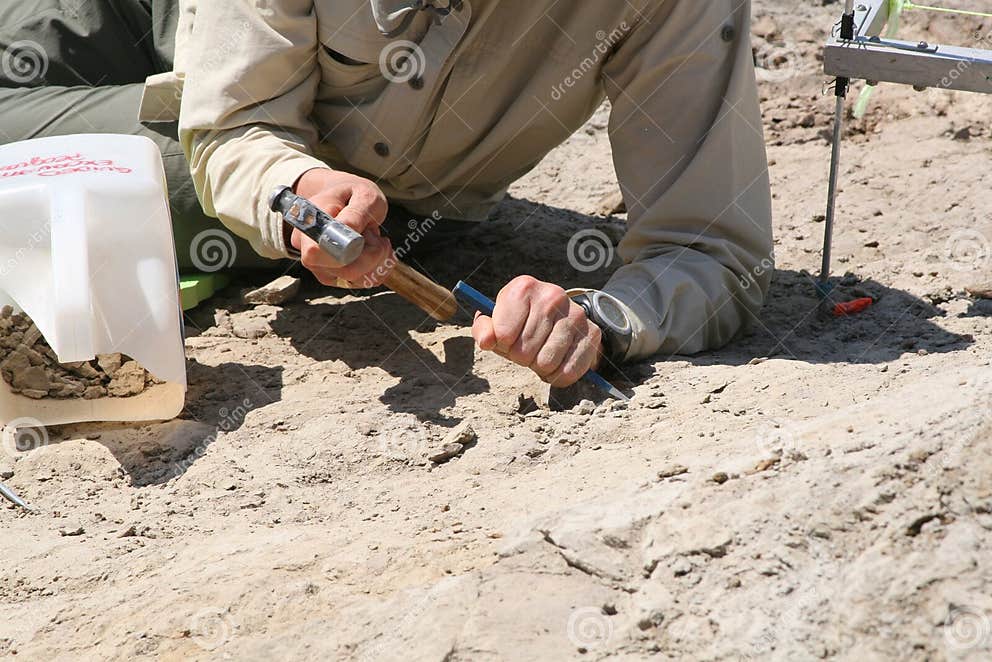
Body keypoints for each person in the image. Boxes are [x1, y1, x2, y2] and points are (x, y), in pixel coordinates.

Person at [1, 0, 773, 389]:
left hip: (237, 132)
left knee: (141, 186)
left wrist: (600, 320)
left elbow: (711, 249)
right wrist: (298, 185)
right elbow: (241, 121)